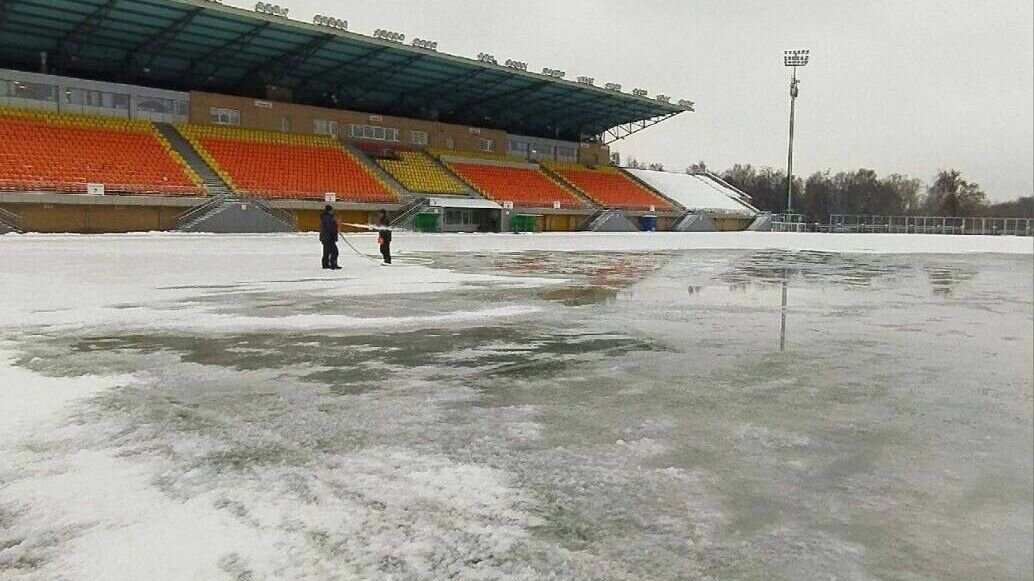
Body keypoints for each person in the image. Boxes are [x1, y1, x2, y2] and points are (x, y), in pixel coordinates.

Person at [320, 205, 341, 270]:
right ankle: (333, 264)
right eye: (332, 210)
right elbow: (330, 227)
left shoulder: (325, 217)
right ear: (329, 211)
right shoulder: (328, 217)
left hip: (325, 237)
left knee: (326, 252)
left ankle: (325, 264)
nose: (333, 211)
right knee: (334, 251)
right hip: (328, 237)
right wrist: (336, 226)